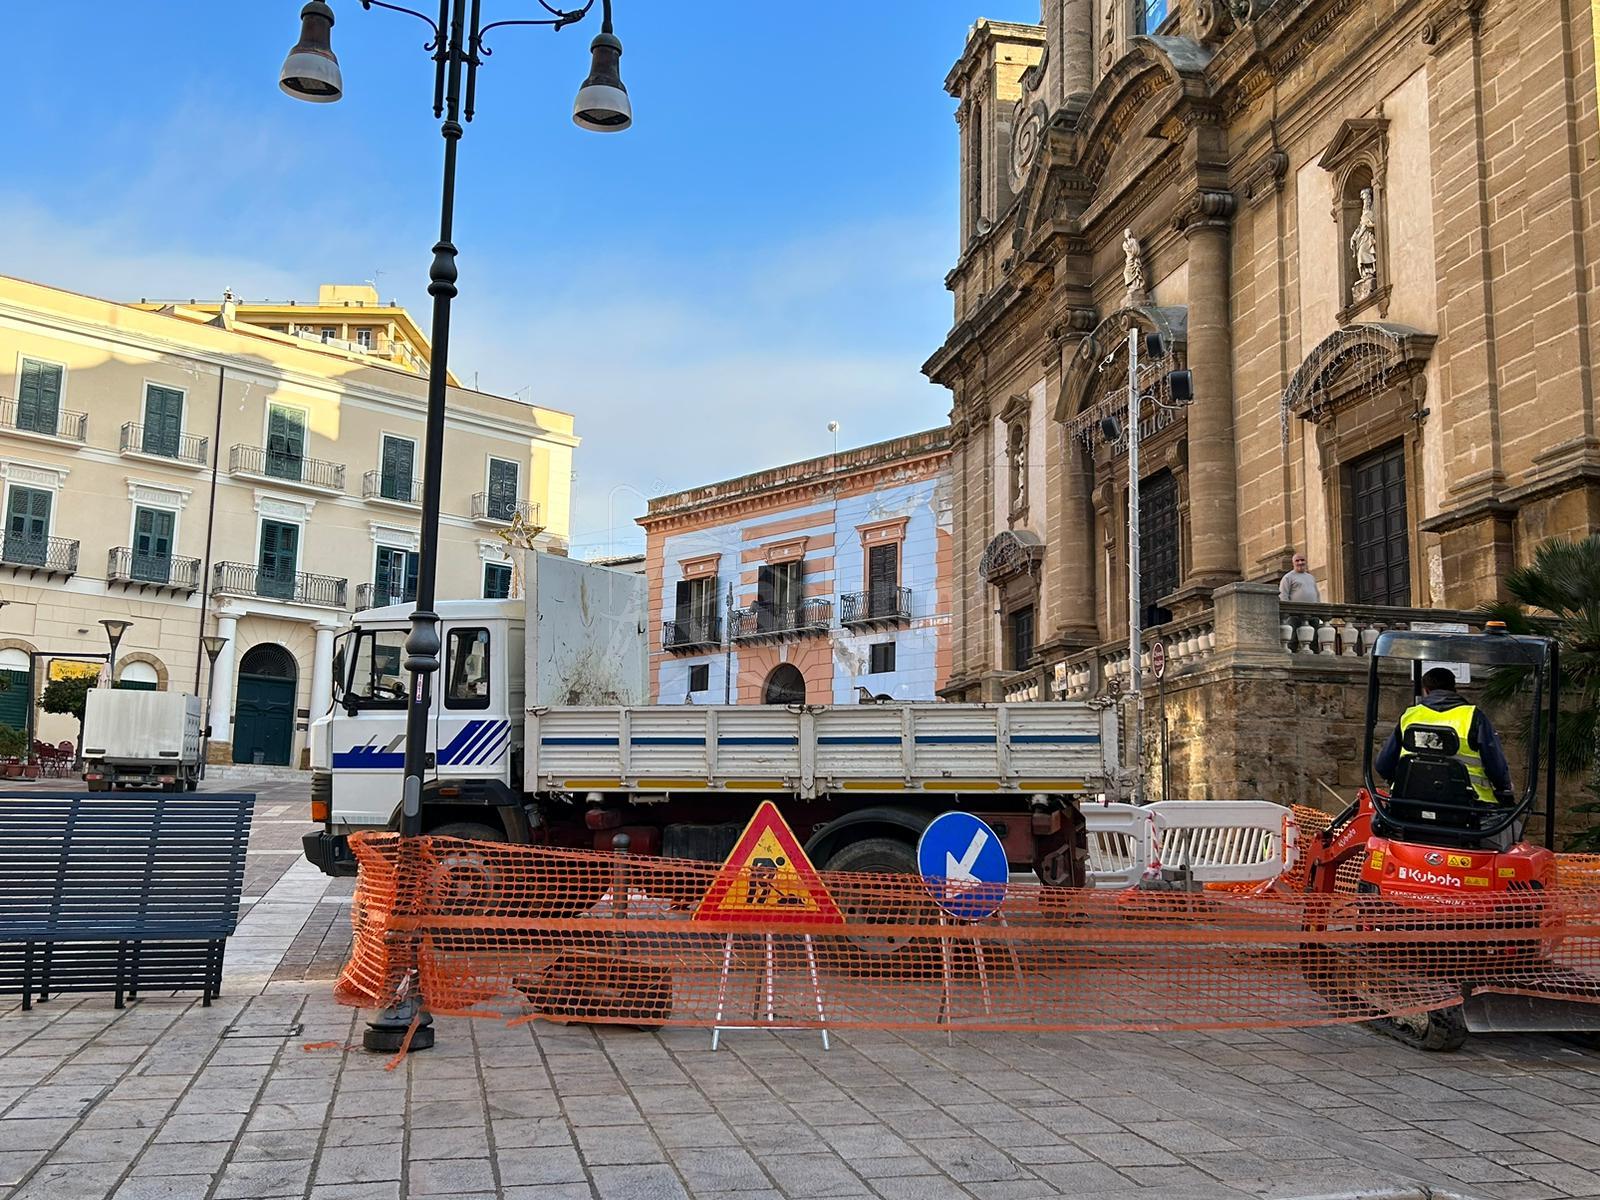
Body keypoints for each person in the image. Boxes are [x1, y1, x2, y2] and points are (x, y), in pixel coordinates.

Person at [1375, 667, 1512, 808]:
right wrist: (1504, 789)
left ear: (1426, 690)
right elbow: (1495, 765)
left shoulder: (1409, 716)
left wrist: (1400, 782)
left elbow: (1383, 765)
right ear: (1454, 688)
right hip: (1469, 806)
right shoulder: (1473, 717)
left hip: (1411, 802)